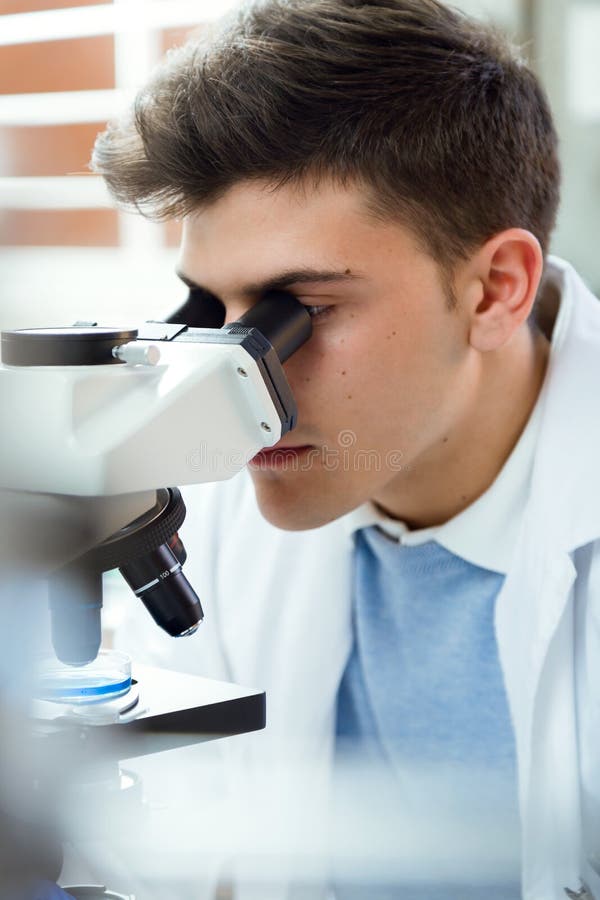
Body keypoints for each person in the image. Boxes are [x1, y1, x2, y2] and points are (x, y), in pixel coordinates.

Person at [93, 0, 600, 897]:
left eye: (303, 313)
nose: (238, 390)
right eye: (213, 316)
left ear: (494, 291)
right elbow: (166, 844)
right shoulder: (213, 496)